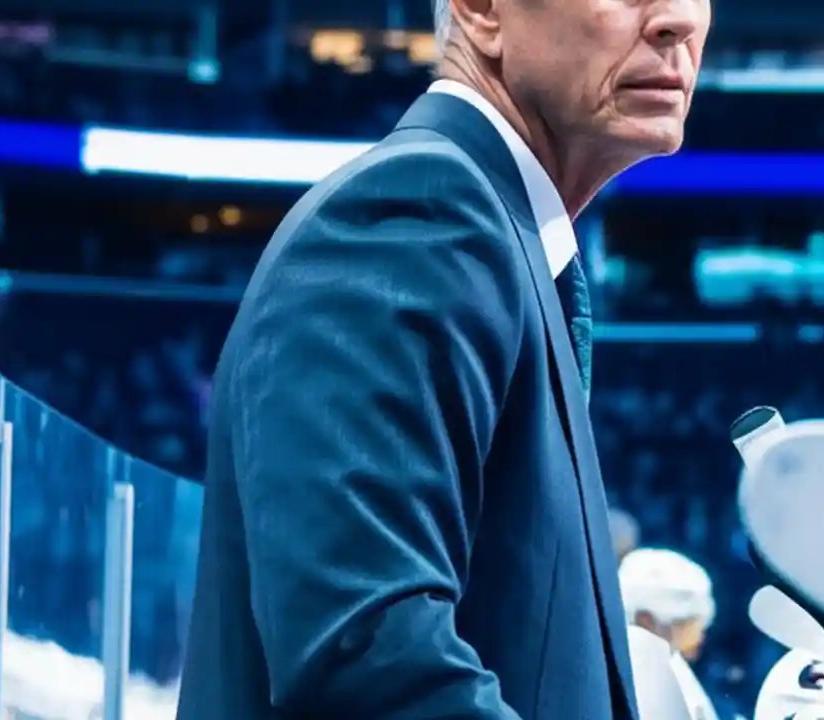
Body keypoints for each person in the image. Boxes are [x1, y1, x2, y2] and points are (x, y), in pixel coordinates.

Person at [175, 0, 710, 714]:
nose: (676, 18)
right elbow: (371, 659)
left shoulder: (496, 237)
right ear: (482, 10)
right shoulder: (417, 214)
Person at [619, 548, 720, 720]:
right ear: (646, 621)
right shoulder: (642, 682)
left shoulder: (674, 667)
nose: (698, 636)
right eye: (684, 623)